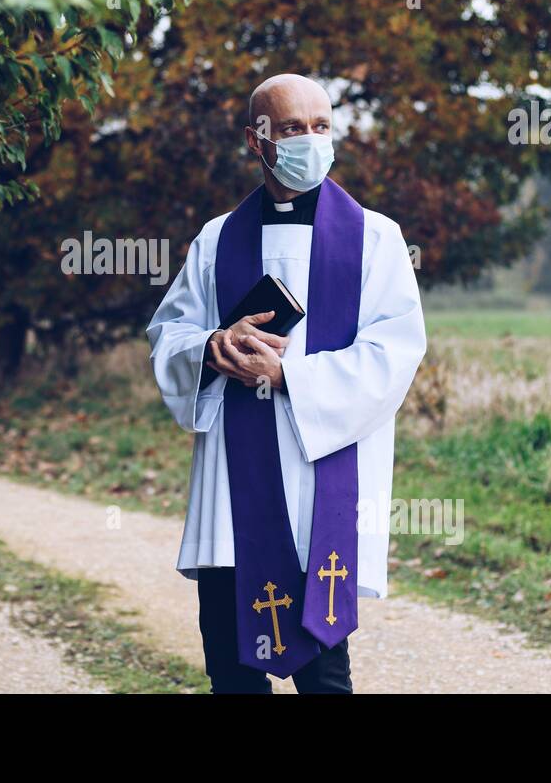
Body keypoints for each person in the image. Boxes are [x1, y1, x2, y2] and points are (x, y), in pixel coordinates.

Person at [146, 73, 427, 693]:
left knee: (324, 679)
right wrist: (211, 346)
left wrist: (288, 374)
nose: (310, 140)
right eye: (293, 128)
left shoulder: (375, 239)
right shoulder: (218, 239)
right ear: (257, 138)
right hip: (231, 494)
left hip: (316, 487)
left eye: (321, 126)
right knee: (233, 675)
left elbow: (395, 351)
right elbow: (169, 333)